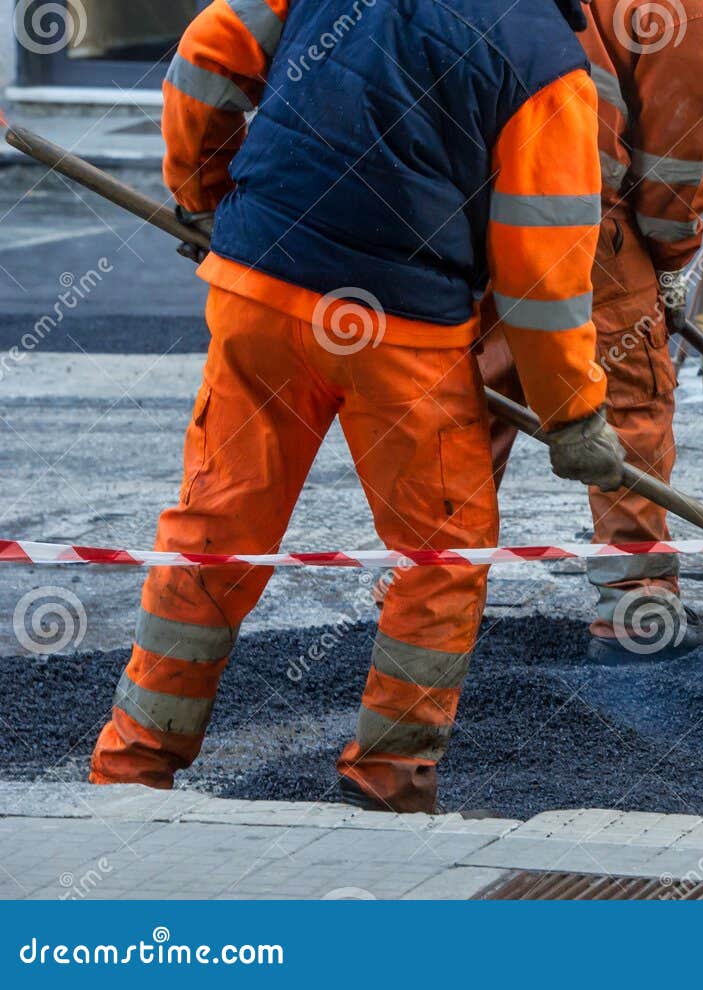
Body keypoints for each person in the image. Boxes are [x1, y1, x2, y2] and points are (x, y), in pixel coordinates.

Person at [88, 0, 624, 814]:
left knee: (217, 529)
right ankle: (388, 781)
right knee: (443, 553)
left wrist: (202, 195)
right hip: (399, 329)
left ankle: (133, 767)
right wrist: (573, 412)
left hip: (261, 285)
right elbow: (542, 276)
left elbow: (205, 57)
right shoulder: (546, 60)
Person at [478, 0, 703, 664]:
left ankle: (427, 600)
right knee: (628, 401)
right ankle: (637, 614)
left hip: (461, 194)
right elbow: (675, 152)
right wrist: (672, 260)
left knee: (467, 397)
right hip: (574, 205)